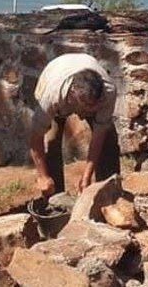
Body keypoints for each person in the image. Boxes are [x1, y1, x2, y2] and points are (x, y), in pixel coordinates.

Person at [26, 53, 121, 197]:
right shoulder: (52, 97)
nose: (92, 111)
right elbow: (36, 138)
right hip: (53, 73)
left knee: (108, 140)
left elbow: (98, 136)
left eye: (96, 106)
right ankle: (55, 200)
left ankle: (109, 193)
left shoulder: (107, 92)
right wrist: (42, 176)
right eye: (88, 107)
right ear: (72, 95)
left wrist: (86, 176)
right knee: (51, 143)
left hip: (83, 67)